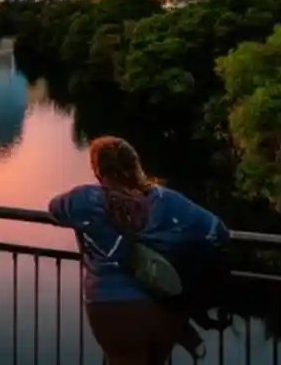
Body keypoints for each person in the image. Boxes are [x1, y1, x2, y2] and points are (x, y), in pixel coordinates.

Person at [49, 136, 229, 365]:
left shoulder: (89, 198)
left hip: (113, 307)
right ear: (136, 164)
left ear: (97, 169)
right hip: (165, 301)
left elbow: (55, 208)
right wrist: (170, 243)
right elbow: (217, 231)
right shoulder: (166, 199)